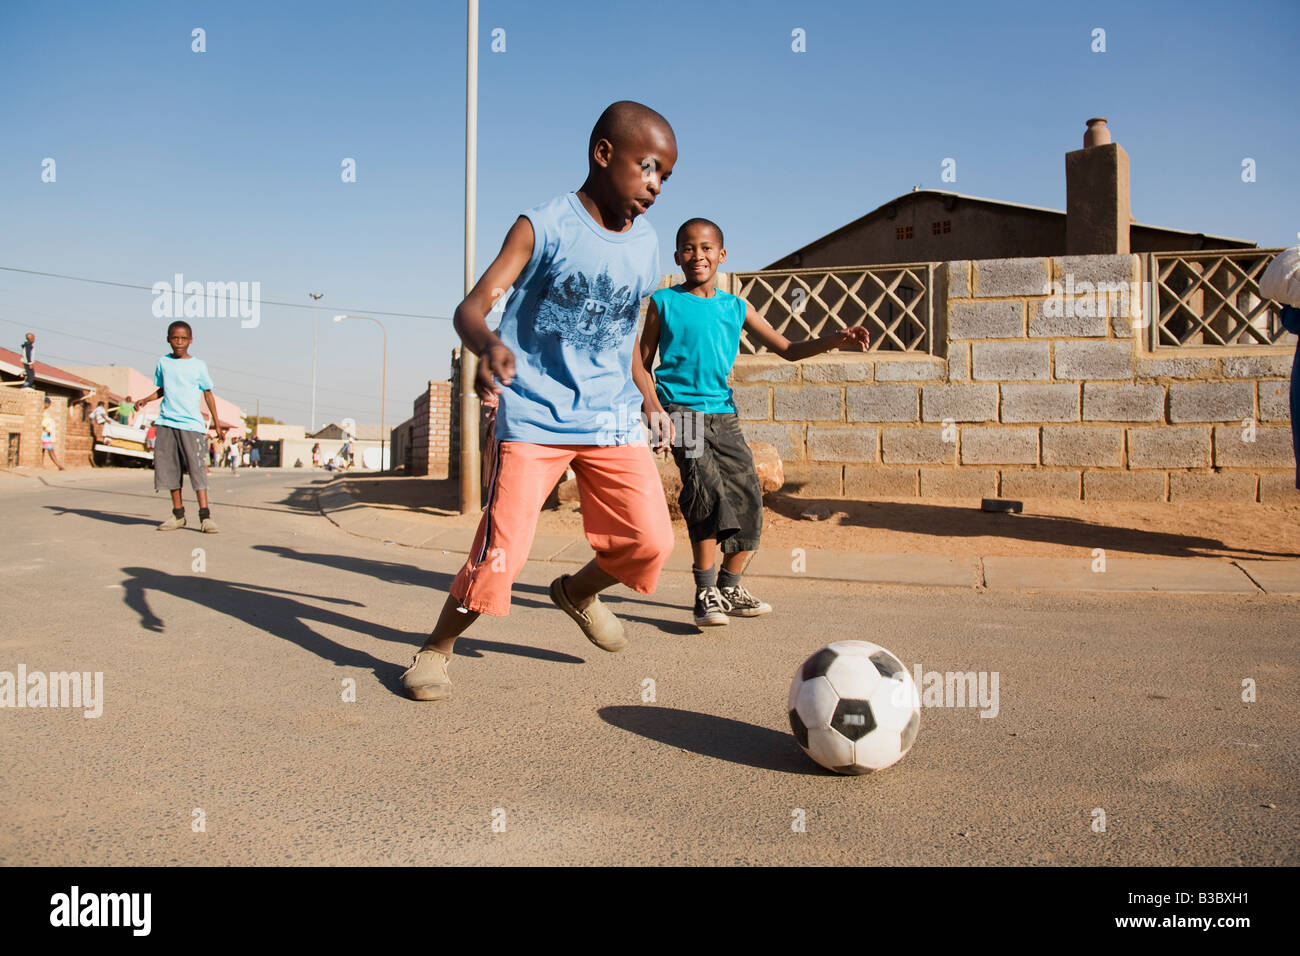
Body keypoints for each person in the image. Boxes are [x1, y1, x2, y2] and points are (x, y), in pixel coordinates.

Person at [398, 100, 678, 702]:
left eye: (665, 177)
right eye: (647, 168)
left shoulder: (647, 244)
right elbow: (470, 308)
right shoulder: (543, 225)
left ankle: (577, 593)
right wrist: (488, 346)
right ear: (604, 155)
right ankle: (436, 649)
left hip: (610, 416)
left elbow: (626, 337)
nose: (655, 186)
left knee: (651, 541)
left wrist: (648, 398)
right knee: (502, 553)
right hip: (534, 416)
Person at [641, 217, 870, 627]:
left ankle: (730, 585)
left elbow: (788, 349)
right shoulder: (664, 302)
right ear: (677, 256)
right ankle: (705, 591)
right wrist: (654, 410)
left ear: (722, 255)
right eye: (689, 248)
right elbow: (640, 367)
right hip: (682, 415)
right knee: (705, 492)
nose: (698, 256)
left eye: (707, 248)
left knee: (748, 497)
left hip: (724, 417)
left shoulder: (736, 307)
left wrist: (835, 339)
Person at [131, 320, 229, 532]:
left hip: (191, 425)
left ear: (191, 340)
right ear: (168, 339)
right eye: (175, 338)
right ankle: (178, 515)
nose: (179, 342)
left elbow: (208, 394)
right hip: (166, 422)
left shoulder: (198, 365)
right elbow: (163, 389)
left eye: (184, 338)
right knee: (169, 470)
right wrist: (146, 400)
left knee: (197, 469)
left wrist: (217, 424)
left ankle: (205, 517)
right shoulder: (163, 363)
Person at [40, 398, 65, 470]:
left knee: (43, 449)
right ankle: (58, 465)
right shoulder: (42, 413)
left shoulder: (45, 412)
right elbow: (43, 423)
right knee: (50, 449)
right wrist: (46, 429)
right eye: (48, 403)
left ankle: (41, 464)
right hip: (44, 433)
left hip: (46, 434)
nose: (49, 405)